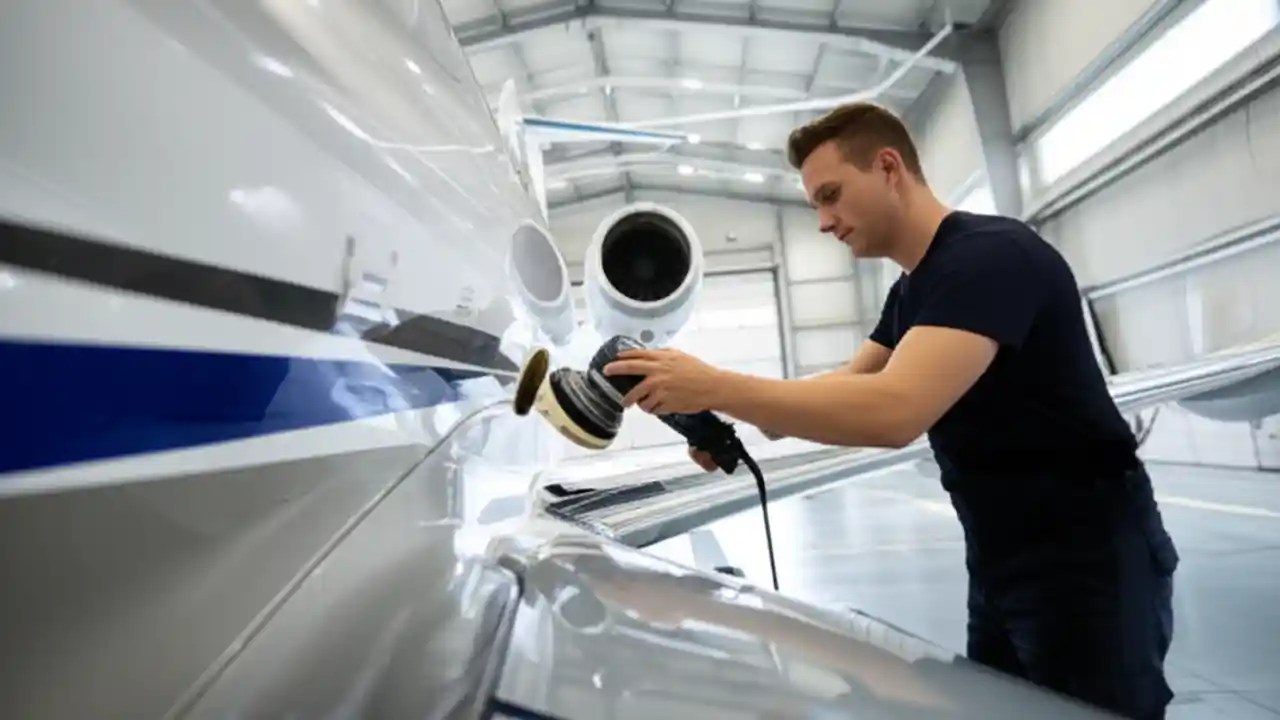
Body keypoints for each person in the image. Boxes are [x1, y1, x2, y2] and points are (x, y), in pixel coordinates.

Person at [603, 101, 1180, 719]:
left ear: (887, 168)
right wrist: (720, 413)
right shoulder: (913, 290)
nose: (824, 221)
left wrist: (717, 384)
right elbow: (851, 384)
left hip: (1086, 561)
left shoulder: (989, 258)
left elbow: (894, 411)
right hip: (1001, 557)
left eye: (831, 195)